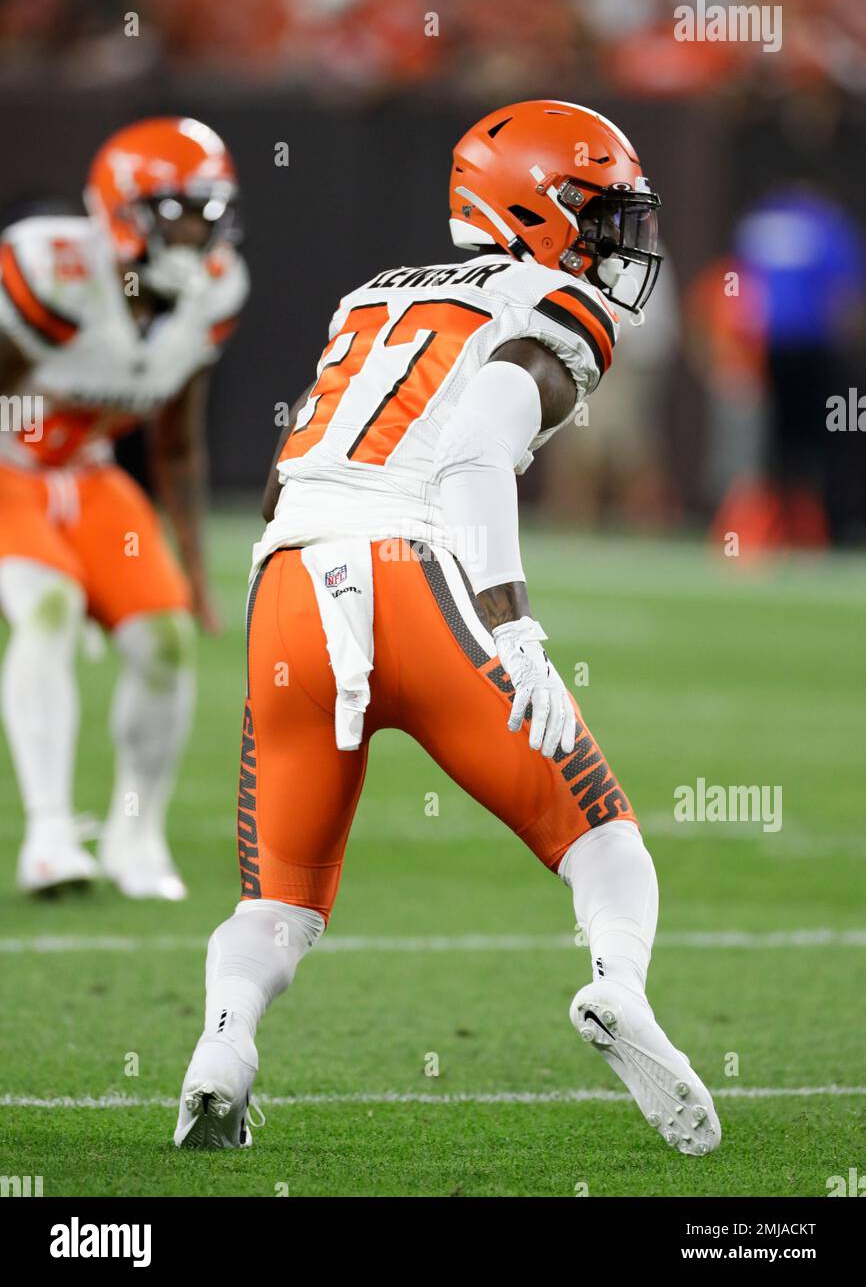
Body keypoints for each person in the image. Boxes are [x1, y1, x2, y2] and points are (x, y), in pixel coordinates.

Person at [175, 100, 720, 1156]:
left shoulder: (370, 294)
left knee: (276, 905)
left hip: (286, 578)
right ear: (535, 208)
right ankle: (617, 988)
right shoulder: (556, 302)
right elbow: (474, 447)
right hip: (413, 574)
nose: (616, 243)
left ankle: (223, 1048)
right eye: (599, 217)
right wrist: (511, 622)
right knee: (601, 838)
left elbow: (301, 454)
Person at [0, 117, 248, 899]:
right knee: (49, 608)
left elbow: (176, 446)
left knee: (166, 638)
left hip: (94, 473)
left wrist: (198, 575)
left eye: (208, 210)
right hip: (7, 463)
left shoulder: (216, 287)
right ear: (122, 207)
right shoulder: (56, 269)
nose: (195, 229)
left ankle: (134, 838)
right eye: (176, 209)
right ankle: (47, 834)